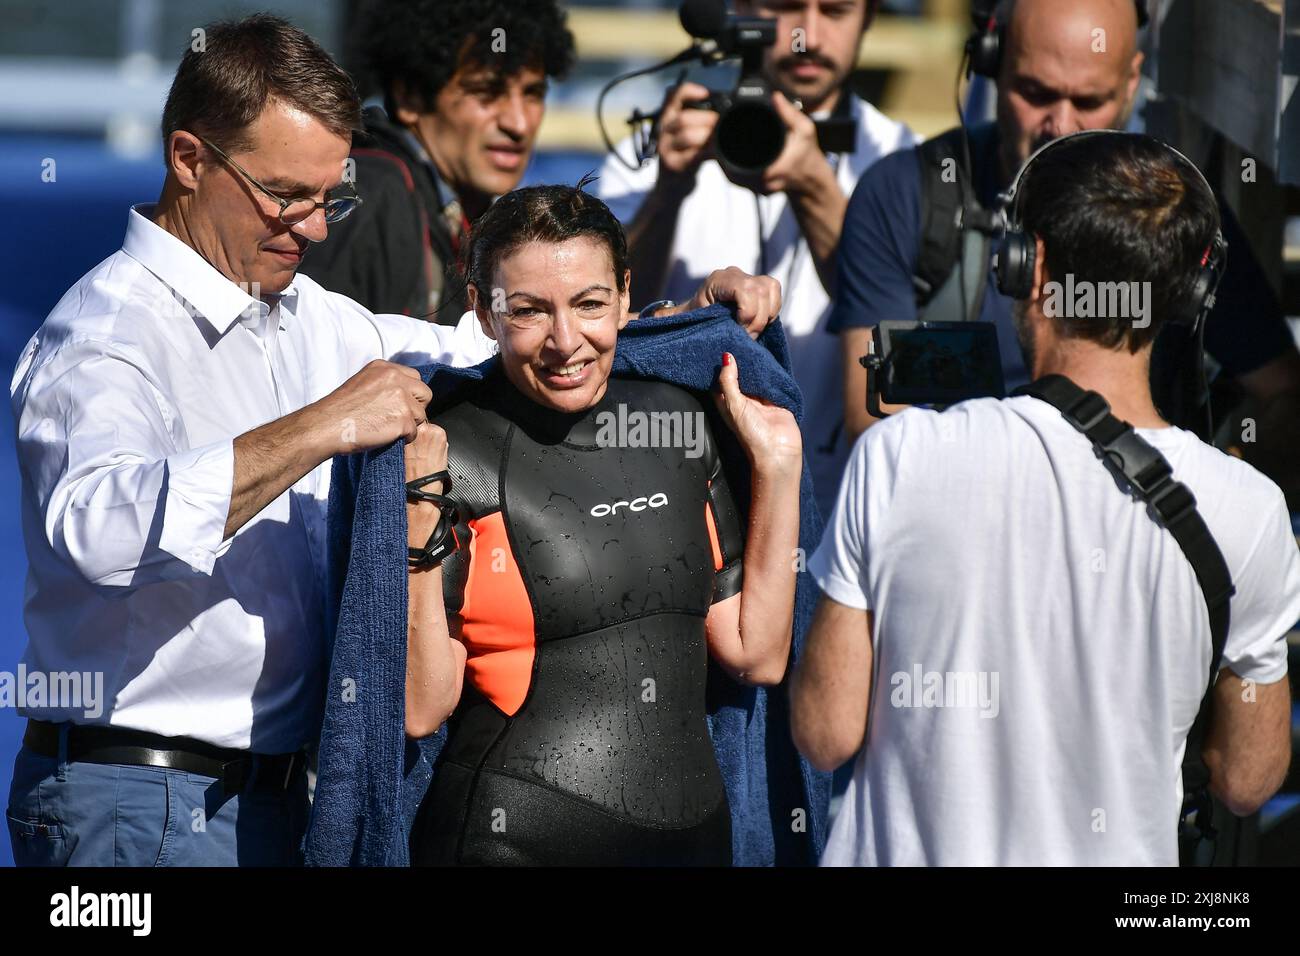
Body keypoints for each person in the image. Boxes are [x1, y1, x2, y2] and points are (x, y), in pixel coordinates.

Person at [4, 14, 783, 868]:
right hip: (139, 802)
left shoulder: (309, 316)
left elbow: (510, 344)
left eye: (328, 196)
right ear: (189, 160)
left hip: (272, 796)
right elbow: (96, 532)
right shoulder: (104, 335)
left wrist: (686, 326)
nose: (314, 228)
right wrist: (323, 426)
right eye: (284, 195)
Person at [792, 131, 1300, 866]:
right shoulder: (1249, 513)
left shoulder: (898, 457)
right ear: (1191, 295)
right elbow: (1249, 780)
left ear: (1028, 270)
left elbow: (825, 731)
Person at [397, 183, 802, 865]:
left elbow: (753, 649)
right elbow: (420, 707)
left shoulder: (678, 419)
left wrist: (780, 466)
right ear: (484, 314)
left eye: (588, 304)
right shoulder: (448, 447)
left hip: (696, 841)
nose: (565, 341)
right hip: (508, 839)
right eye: (528, 311)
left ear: (622, 296)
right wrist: (413, 516)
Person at [834, 0, 1300, 508]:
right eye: (1036, 93)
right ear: (992, 62)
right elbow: (877, 433)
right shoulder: (907, 195)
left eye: (1089, 101)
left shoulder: (1178, 219)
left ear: (1131, 84)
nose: (1060, 124)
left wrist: (1219, 488)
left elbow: (1284, 394)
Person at [597, 0, 915, 518]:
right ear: (741, 11)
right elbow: (600, 307)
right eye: (785, 8)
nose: (807, 36)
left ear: (870, 18)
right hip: (674, 503)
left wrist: (817, 189)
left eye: (835, 11)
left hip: (842, 507)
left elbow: (911, 338)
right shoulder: (661, 141)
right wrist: (667, 191)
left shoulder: (901, 157)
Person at [300, 0, 574, 322]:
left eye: (533, 94)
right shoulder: (370, 194)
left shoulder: (464, 212)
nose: (518, 123)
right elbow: (310, 355)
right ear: (410, 97)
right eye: (486, 92)